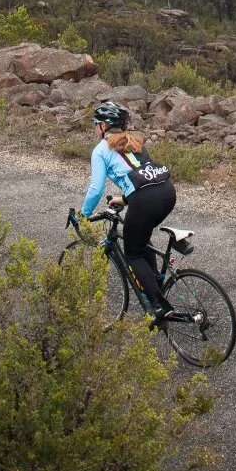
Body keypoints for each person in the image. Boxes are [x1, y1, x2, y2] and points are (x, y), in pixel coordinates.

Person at [79, 101, 178, 320]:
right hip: (167, 193)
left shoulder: (100, 150)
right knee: (141, 236)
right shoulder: (135, 141)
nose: (95, 129)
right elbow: (143, 176)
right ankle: (155, 281)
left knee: (132, 254)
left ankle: (160, 306)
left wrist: (83, 215)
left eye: (96, 124)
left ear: (103, 126)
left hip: (144, 200)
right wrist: (123, 199)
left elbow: (96, 189)